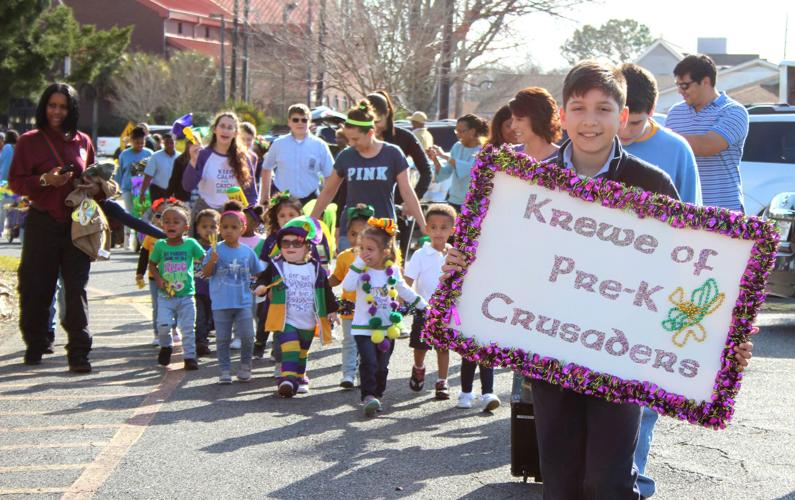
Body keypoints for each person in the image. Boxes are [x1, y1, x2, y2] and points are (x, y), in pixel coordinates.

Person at [9, 83, 100, 372]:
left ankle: (79, 352)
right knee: (37, 287)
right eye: (52, 105)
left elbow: (95, 178)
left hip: (76, 225)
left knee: (76, 288)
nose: (57, 112)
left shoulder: (83, 141)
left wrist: (94, 184)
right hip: (42, 222)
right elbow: (16, 182)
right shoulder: (29, 141)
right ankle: (36, 342)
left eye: (63, 106)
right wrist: (46, 181)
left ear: (72, 109)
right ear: (43, 107)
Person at [310, 100, 427, 247]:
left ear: (371, 133)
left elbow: (407, 191)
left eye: (356, 139)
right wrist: (311, 220)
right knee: (349, 269)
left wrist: (423, 224)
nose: (351, 143)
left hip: (383, 229)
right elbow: (328, 191)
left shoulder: (393, 154)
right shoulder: (346, 156)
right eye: (349, 139)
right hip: (352, 231)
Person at [341, 218, 427, 416]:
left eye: (370, 249)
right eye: (362, 248)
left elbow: (404, 290)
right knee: (369, 362)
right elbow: (346, 287)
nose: (364, 253)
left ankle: (377, 394)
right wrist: (358, 262)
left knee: (382, 366)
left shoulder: (393, 271)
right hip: (364, 326)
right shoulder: (361, 269)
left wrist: (424, 305)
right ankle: (368, 396)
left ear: (385, 251)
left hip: (387, 327)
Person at [255, 215, 338, 397]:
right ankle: (287, 380)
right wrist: (260, 286)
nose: (290, 247)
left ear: (308, 247)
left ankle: (300, 377)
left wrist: (332, 310)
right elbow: (264, 278)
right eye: (285, 243)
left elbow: (326, 291)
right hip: (285, 318)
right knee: (290, 348)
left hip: (308, 320)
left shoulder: (316, 268)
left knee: (302, 351)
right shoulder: (277, 265)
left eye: (296, 243)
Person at [665, 54, 749, 213]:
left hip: (724, 212)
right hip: (685, 210)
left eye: (685, 86)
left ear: (705, 81)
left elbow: (707, 146)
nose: (680, 91)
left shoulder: (734, 111)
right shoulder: (675, 112)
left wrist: (662, 137)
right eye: (678, 85)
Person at [619, 63, 702, 206]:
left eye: (635, 123)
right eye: (620, 121)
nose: (625, 131)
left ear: (652, 110)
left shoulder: (677, 149)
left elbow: (692, 214)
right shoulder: (593, 143)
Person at [201, 200, 265, 384]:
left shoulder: (247, 252)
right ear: (219, 228)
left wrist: (264, 284)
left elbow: (259, 272)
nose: (229, 230)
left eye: (234, 227)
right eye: (225, 227)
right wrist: (212, 260)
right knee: (222, 340)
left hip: (244, 302)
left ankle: (245, 365)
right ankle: (224, 370)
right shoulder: (214, 250)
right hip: (221, 303)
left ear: (243, 228)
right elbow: (205, 273)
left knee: (247, 337)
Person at [366, 91, 432, 257]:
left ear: (387, 113)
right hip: (365, 209)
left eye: (377, 121)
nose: (374, 127)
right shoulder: (360, 138)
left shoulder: (404, 138)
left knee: (397, 262)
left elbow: (426, 171)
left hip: (398, 208)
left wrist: (411, 201)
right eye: (369, 121)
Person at [405, 204, 455, 400]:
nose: (438, 232)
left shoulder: (455, 254)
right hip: (423, 308)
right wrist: (405, 302)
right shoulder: (420, 254)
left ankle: (442, 381)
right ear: (426, 229)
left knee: (443, 347)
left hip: (445, 310)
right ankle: (419, 368)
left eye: (444, 228)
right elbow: (407, 281)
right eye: (433, 227)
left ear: (452, 230)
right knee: (421, 345)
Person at [147, 202, 204, 370]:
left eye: (176, 221)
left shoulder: (191, 244)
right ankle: (166, 346)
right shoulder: (160, 246)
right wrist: (157, 278)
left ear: (185, 227)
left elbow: (205, 259)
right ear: (162, 225)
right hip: (166, 295)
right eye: (167, 221)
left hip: (186, 295)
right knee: (163, 325)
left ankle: (190, 357)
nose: (171, 224)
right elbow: (152, 264)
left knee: (187, 328)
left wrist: (212, 259)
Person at [253, 192, 304, 361]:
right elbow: (264, 265)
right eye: (282, 215)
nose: (287, 218)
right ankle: (260, 343)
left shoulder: (306, 238)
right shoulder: (271, 240)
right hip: (274, 287)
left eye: (292, 215)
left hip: (297, 289)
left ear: (300, 216)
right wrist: (260, 282)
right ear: (276, 218)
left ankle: (281, 354)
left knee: (290, 323)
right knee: (267, 316)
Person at [183, 111, 258, 222]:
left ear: (235, 133)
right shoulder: (202, 155)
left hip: (232, 217)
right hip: (205, 215)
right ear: (215, 129)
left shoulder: (244, 158)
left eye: (229, 128)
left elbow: (251, 193)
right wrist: (193, 160)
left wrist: (249, 216)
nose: (225, 131)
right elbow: (187, 186)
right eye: (222, 126)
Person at [329, 203, 373, 389]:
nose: (357, 239)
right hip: (349, 308)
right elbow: (336, 278)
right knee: (349, 342)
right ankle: (348, 373)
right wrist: (321, 282)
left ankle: (365, 374)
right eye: (353, 234)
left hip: (370, 308)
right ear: (348, 235)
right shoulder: (344, 257)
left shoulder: (375, 256)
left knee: (367, 344)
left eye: (362, 234)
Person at [260, 104, 334, 206]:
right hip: (282, 199)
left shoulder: (320, 145)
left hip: (310, 199)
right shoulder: (278, 143)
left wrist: (325, 202)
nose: (300, 123)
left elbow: (329, 175)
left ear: (310, 122)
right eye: (296, 120)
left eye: (304, 120)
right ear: (289, 122)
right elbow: (266, 168)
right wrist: (265, 197)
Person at [136, 197, 179, 347]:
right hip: (154, 277)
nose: (166, 222)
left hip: (174, 277)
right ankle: (157, 333)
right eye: (160, 216)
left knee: (175, 303)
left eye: (173, 219)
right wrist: (139, 273)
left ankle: (174, 330)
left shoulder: (179, 239)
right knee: (157, 305)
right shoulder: (150, 237)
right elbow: (143, 256)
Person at [428, 114, 489, 213]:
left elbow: (470, 169)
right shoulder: (457, 146)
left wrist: (444, 155)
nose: (458, 134)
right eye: (456, 131)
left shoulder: (483, 149)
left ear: (472, 132)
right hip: (454, 200)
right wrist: (435, 159)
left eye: (461, 131)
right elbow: (446, 172)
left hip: (473, 203)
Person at [116, 126, 154, 249]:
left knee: (143, 215)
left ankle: (141, 241)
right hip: (127, 187)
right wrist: (116, 187)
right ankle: (127, 241)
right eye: (137, 142)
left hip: (143, 188)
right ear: (132, 141)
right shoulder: (124, 154)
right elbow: (120, 172)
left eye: (142, 142)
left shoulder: (149, 153)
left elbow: (153, 172)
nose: (140, 145)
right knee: (130, 214)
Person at [193, 208, 220, 358]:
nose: (208, 230)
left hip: (216, 291)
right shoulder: (193, 245)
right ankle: (201, 343)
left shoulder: (220, 247)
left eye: (213, 227)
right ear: (197, 228)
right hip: (197, 290)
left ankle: (207, 334)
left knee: (213, 319)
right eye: (204, 227)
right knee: (200, 317)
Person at [509, 87, 562, 162]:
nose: (512, 127)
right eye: (513, 120)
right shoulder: (508, 156)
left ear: (538, 119)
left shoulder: (564, 159)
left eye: (519, 119)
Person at [140, 133, 178, 203]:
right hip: (158, 191)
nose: (169, 145)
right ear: (163, 143)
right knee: (158, 213)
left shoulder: (180, 157)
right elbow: (148, 176)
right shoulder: (155, 156)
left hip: (174, 192)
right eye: (167, 143)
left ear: (175, 142)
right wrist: (143, 193)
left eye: (171, 143)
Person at [0, 129, 19, 236]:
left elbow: (4, 166)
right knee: (13, 207)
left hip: (4, 182)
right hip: (15, 182)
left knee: (2, 208)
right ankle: (12, 229)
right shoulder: (18, 148)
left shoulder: (7, 148)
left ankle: (1, 229)